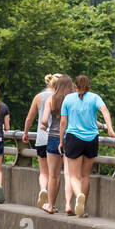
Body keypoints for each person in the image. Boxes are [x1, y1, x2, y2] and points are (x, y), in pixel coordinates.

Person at [59, 74, 115, 217]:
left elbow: (63, 123)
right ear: (88, 85)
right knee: (85, 175)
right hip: (91, 139)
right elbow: (105, 111)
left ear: (75, 86)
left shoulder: (68, 99)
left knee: (73, 176)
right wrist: (109, 128)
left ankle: (78, 196)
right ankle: (82, 208)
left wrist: (61, 141)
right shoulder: (95, 98)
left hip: (73, 138)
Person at [20, 74, 58, 209]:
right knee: (54, 173)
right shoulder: (63, 97)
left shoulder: (39, 97)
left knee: (43, 171)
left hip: (41, 138)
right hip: (56, 138)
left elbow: (30, 117)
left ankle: (43, 189)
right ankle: (51, 203)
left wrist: (25, 132)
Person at [40, 75, 74, 214]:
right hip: (71, 138)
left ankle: (51, 205)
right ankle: (69, 205)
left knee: (53, 175)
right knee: (70, 174)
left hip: (53, 138)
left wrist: (46, 125)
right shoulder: (74, 100)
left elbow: (43, 120)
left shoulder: (51, 99)